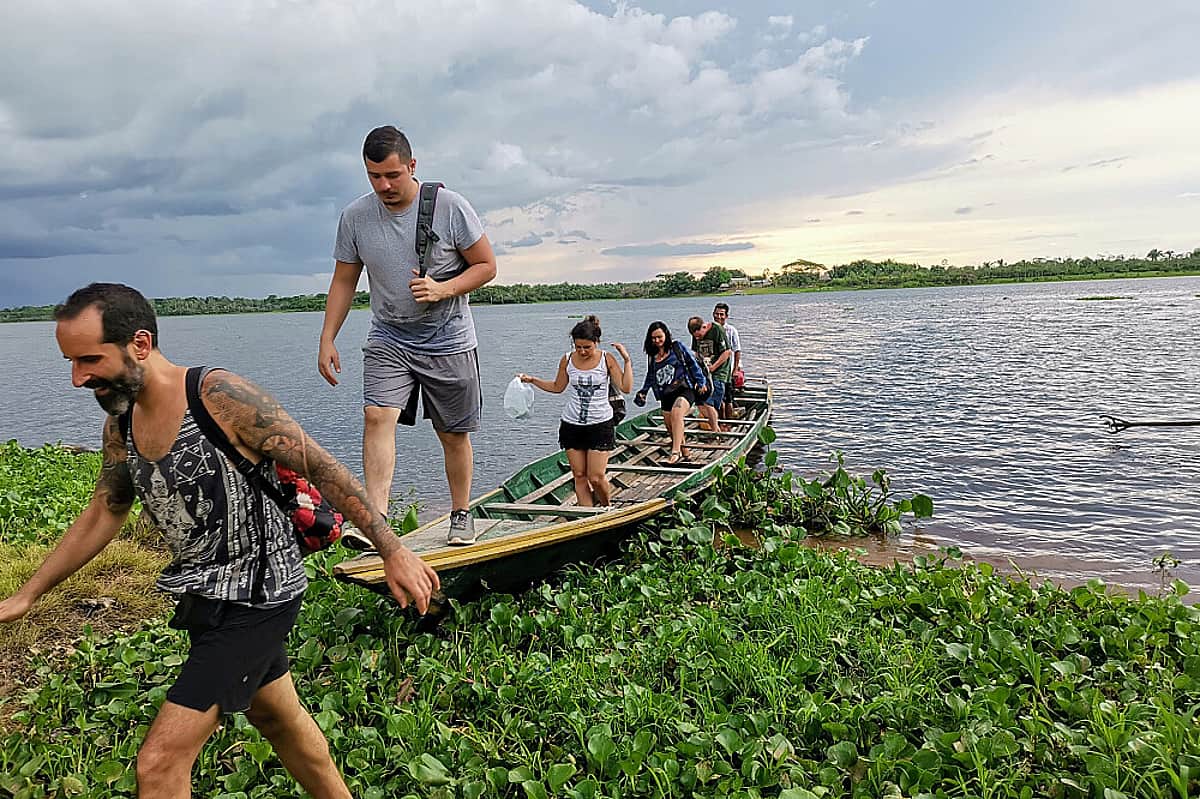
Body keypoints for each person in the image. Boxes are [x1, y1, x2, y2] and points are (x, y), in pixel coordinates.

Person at [0, 283, 440, 798]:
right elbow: (107, 509)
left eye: (89, 360)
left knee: (160, 763)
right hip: (206, 595)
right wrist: (28, 594)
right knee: (280, 720)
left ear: (139, 344)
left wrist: (392, 549)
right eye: (71, 363)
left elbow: (320, 465)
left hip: (261, 593)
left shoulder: (216, 395)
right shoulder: (121, 421)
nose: (78, 378)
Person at [319, 126, 497, 546]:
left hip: (448, 337)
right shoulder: (356, 217)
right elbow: (344, 280)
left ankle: (460, 513)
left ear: (412, 166)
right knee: (377, 416)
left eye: (393, 176)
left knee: (453, 433)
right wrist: (327, 337)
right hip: (389, 336)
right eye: (374, 177)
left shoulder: (450, 208)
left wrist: (443, 289)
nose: (384, 186)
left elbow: (487, 266)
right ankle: (378, 521)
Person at [518, 316, 633, 506]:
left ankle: (606, 508)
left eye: (587, 347)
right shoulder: (567, 359)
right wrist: (532, 380)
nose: (582, 351)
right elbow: (557, 387)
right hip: (571, 424)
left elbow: (626, 387)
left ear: (596, 342)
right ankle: (587, 517)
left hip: (600, 424)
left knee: (595, 477)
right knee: (579, 476)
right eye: (578, 346)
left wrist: (627, 360)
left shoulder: (607, 359)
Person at [633, 321, 709, 465]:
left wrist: (701, 381)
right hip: (665, 393)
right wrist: (643, 391)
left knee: (677, 413)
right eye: (653, 338)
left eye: (659, 337)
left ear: (666, 335)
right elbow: (651, 375)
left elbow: (692, 364)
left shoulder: (677, 347)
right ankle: (686, 452)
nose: (657, 341)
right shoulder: (653, 355)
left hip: (684, 388)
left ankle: (675, 453)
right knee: (670, 426)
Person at [687, 315, 732, 433]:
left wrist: (713, 367)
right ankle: (716, 426)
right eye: (695, 337)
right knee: (703, 400)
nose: (698, 338)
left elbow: (727, 352)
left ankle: (718, 427)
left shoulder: (716, 330)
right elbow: (696, 353)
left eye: (699, 335)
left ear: (704, 327)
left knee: (714, 397)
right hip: (704, 372)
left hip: (719, 371)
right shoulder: (695, 336)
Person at [712, 302, 741, 419]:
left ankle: (728, 422)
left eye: (721, 314)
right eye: (716, 314)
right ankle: (719, 422)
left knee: (728, 397)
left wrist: (735, 369)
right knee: (717, 397)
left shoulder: (731, 330)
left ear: (726, 316)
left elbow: (737, 351)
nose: (718, 317)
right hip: (715, 369)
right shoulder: (711, 330)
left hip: (728, 369)